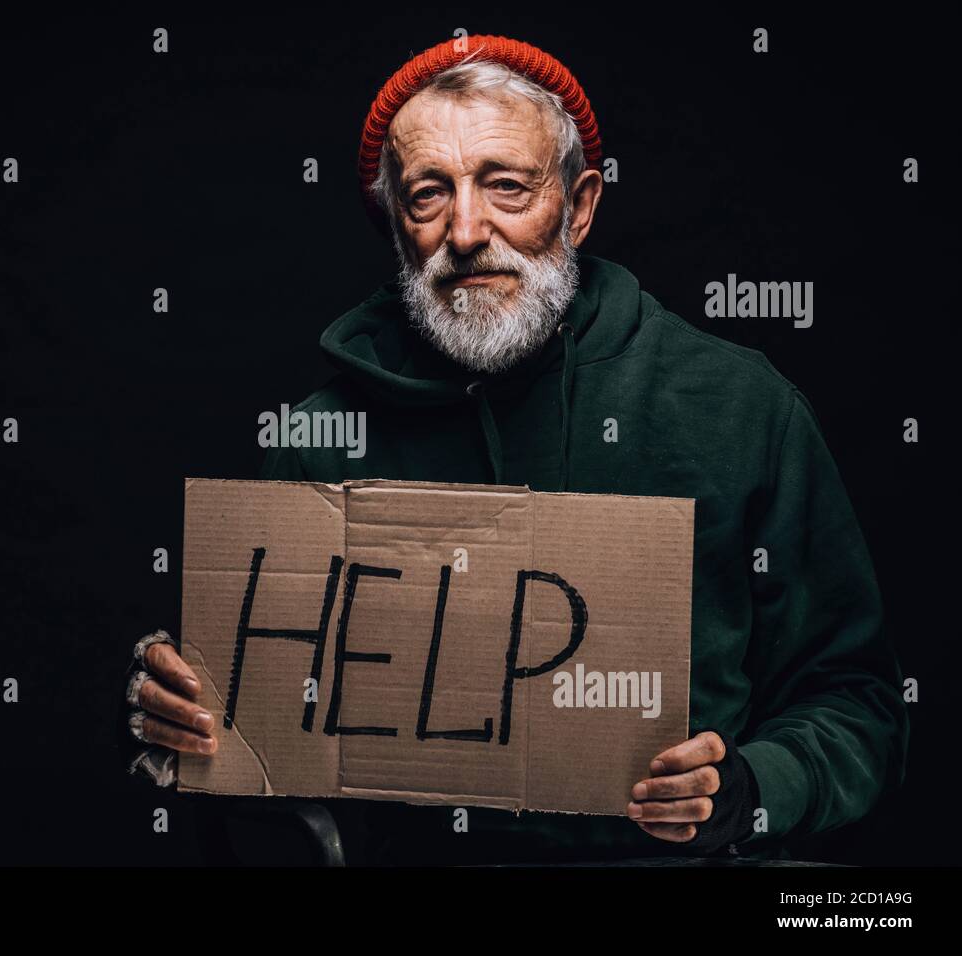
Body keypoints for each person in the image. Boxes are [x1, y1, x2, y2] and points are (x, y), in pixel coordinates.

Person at [123, 35, 908, 864]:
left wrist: (751, 790)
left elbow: (858, 703)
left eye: (506, 185)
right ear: (398, 224)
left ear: (577, 206)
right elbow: (260, 719)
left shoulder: (742, 411)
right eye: (429, 194)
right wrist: (172, 711)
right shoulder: (322, 441)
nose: (467, 231)